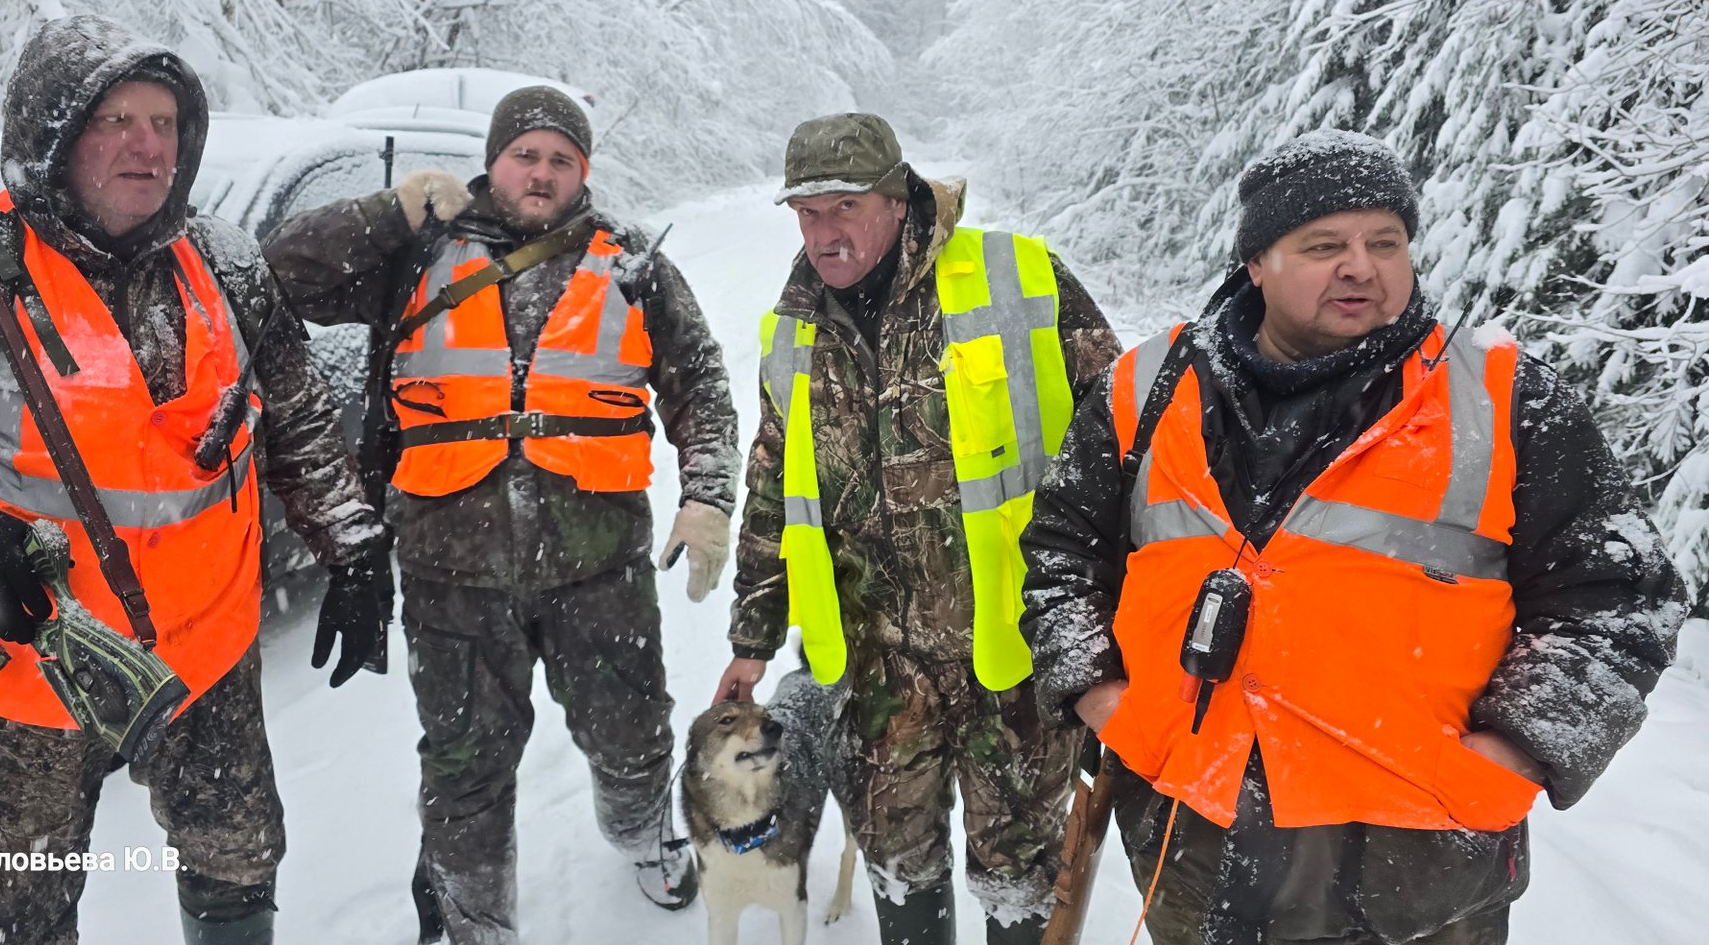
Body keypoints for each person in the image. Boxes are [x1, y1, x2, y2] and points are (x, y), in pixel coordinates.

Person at [0, 14, 391, 945]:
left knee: (237, 857)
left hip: (206, 657)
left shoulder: (226, 264)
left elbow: (298, 415)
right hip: (26, 672)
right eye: (116, 119)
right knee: (14, 919)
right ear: (49, 134)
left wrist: (351, 546)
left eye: (164, 121)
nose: (148, 146)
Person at [1019, 131, 1687, 945]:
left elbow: (1621, 595)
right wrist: (1098, 694)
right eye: (1324, 244)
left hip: (1424, 868)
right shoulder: (1146, 390)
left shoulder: (1503, 396)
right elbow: (1060, 552)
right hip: (1195, 841)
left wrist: (1522, 744)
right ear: (1257, 262)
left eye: (1386, 242)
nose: (1361, 267)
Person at [262, 85, 740, 944]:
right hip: (453, 577)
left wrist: (706, 495)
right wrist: (387, 212)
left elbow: (701, 383)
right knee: (463, 770)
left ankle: (641, 833)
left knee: (632, 743)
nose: (542, 172)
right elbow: (278, 275)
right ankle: (478, 923)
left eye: (563, 159)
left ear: (582, 172)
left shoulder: (629, 261)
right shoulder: (417, 252)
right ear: (494, 160)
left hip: (600, 570)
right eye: (527, 153)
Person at [713, 112, 1121, 945]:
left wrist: (1125, 614)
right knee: (898, 854)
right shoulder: (792, 331)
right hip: (875, 667)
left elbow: (1123, 440)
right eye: (806, 213)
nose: (824, 234)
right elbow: (769, 490)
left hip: (1011, 652)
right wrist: (751, 637)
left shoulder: (1018, 278)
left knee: (1018, 869)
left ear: (899, 200)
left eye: (845, 207)